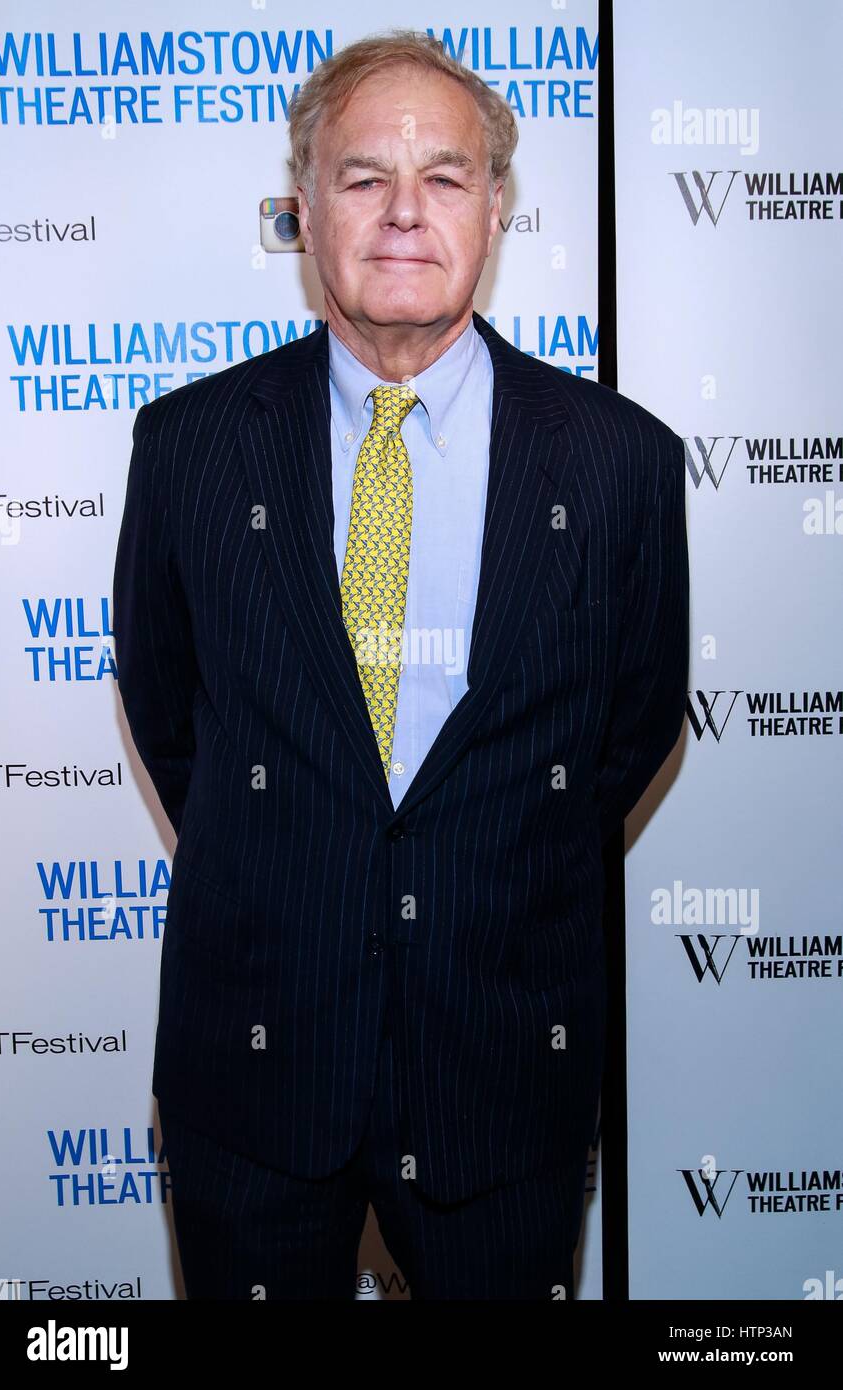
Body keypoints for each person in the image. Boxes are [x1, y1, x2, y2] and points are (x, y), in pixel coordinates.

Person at [113, 28, 689, 1301]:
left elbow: (626, 735)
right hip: (252, 1075)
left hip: (500, 1069)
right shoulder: (188, 446)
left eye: (444, 174)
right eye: (362, 176)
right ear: (303, 208)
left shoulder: (618, 462)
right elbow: (176, 719)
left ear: (495, 206)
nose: (402, 213)